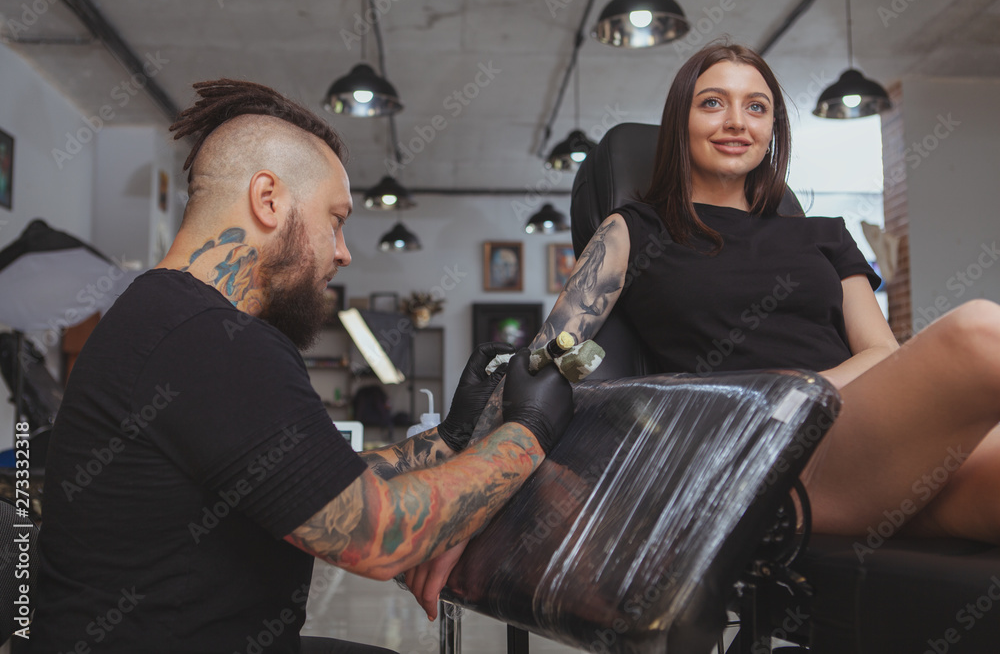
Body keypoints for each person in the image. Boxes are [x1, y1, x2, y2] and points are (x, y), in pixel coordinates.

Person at [403, 41, 1000, 618]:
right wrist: (473, 496)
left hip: (860, 428)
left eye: (756, 106)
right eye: (713, 102)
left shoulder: (823, 232)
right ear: (680, 119)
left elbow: (880, 352)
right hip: (757, 455)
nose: (737, 121)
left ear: (773, 129)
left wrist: (805, 395)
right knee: (980, 331)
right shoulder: (632, 230)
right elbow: (544, 362)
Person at [33, 79, 575, 653]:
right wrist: (526, 431)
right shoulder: (215, 341)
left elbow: (320, 477)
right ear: (268, 199)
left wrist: (451, 437)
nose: (342, 251)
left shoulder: (168, 317)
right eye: (335, 219)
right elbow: (379, 534)